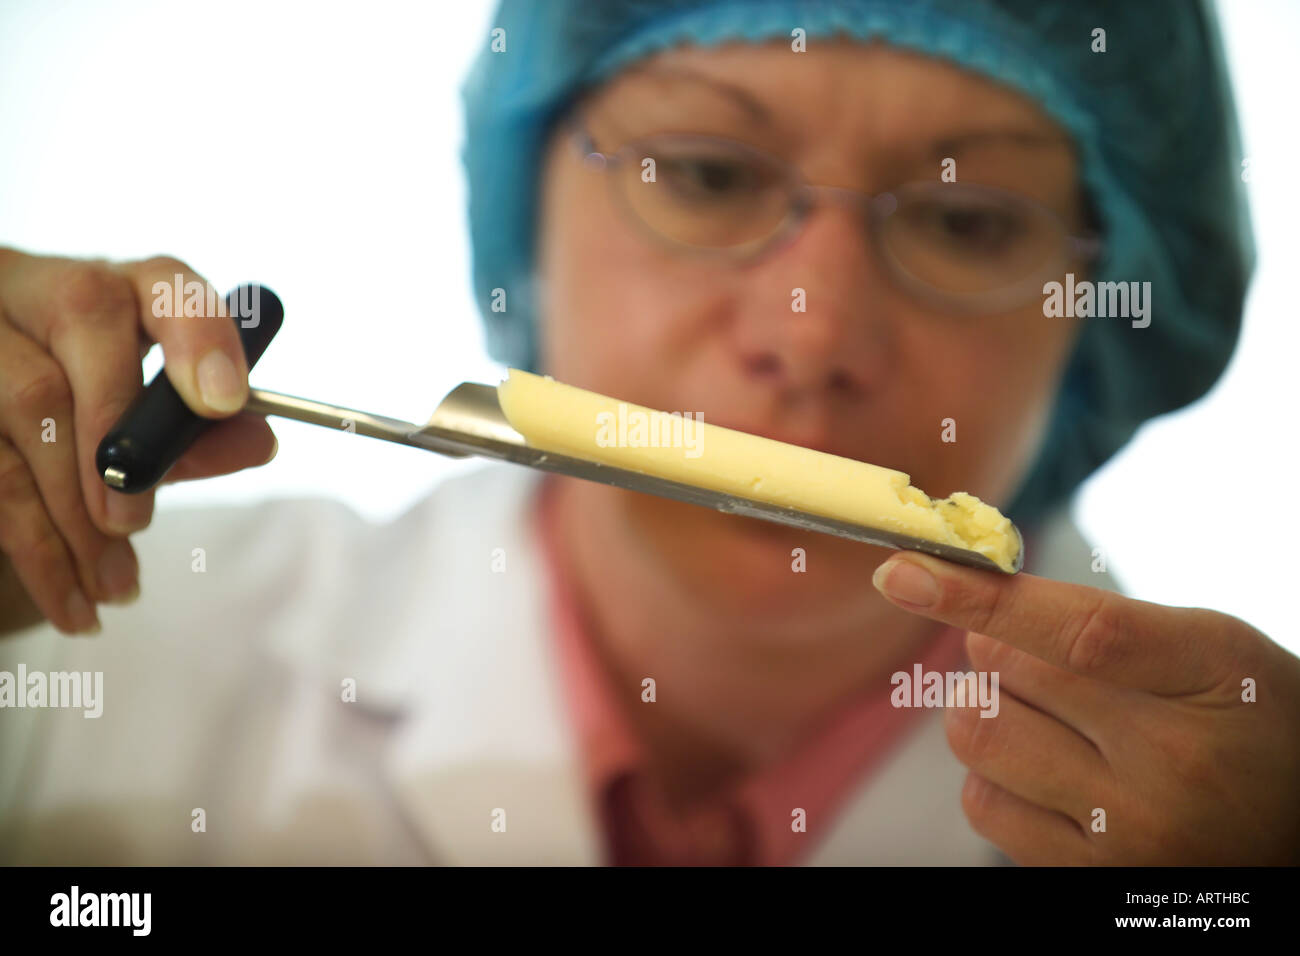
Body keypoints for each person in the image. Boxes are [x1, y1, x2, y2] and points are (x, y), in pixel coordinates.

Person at [1, 0, 1297, 866]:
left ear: (1101, 299)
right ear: (525, 201)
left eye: (967, 223)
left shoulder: (1235, 838)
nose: (813, 335)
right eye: (711, 172)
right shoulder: (74, 672)